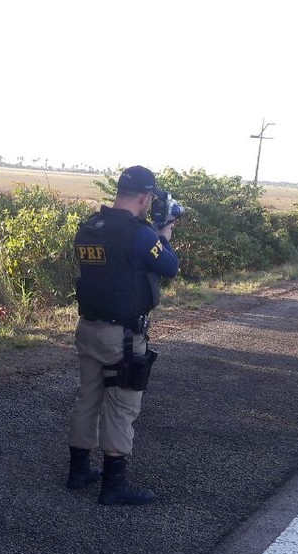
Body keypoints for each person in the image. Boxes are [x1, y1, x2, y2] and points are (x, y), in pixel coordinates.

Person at [65, 165, 179, 506]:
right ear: (145, 197)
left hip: (88, 329)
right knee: (122, 406)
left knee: (87, 399)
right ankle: (114, 485)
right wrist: (164, 237)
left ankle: (78, 472)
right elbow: (170, 267)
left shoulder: (90, 227)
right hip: (124, 337)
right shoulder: (141, 235)